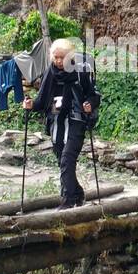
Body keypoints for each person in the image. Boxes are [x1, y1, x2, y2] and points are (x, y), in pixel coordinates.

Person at [24, 37, 99, 208]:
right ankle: (77, 193)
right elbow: (41, 101)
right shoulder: (50, 73)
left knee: (67, 159)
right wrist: (29, 105)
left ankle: (68, 200)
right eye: (56, 57)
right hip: (56, 120)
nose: (58, 61)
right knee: (62, 160)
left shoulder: (80, 72)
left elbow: (94, 95)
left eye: (62, 57)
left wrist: (90, 104)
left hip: (76, 119)